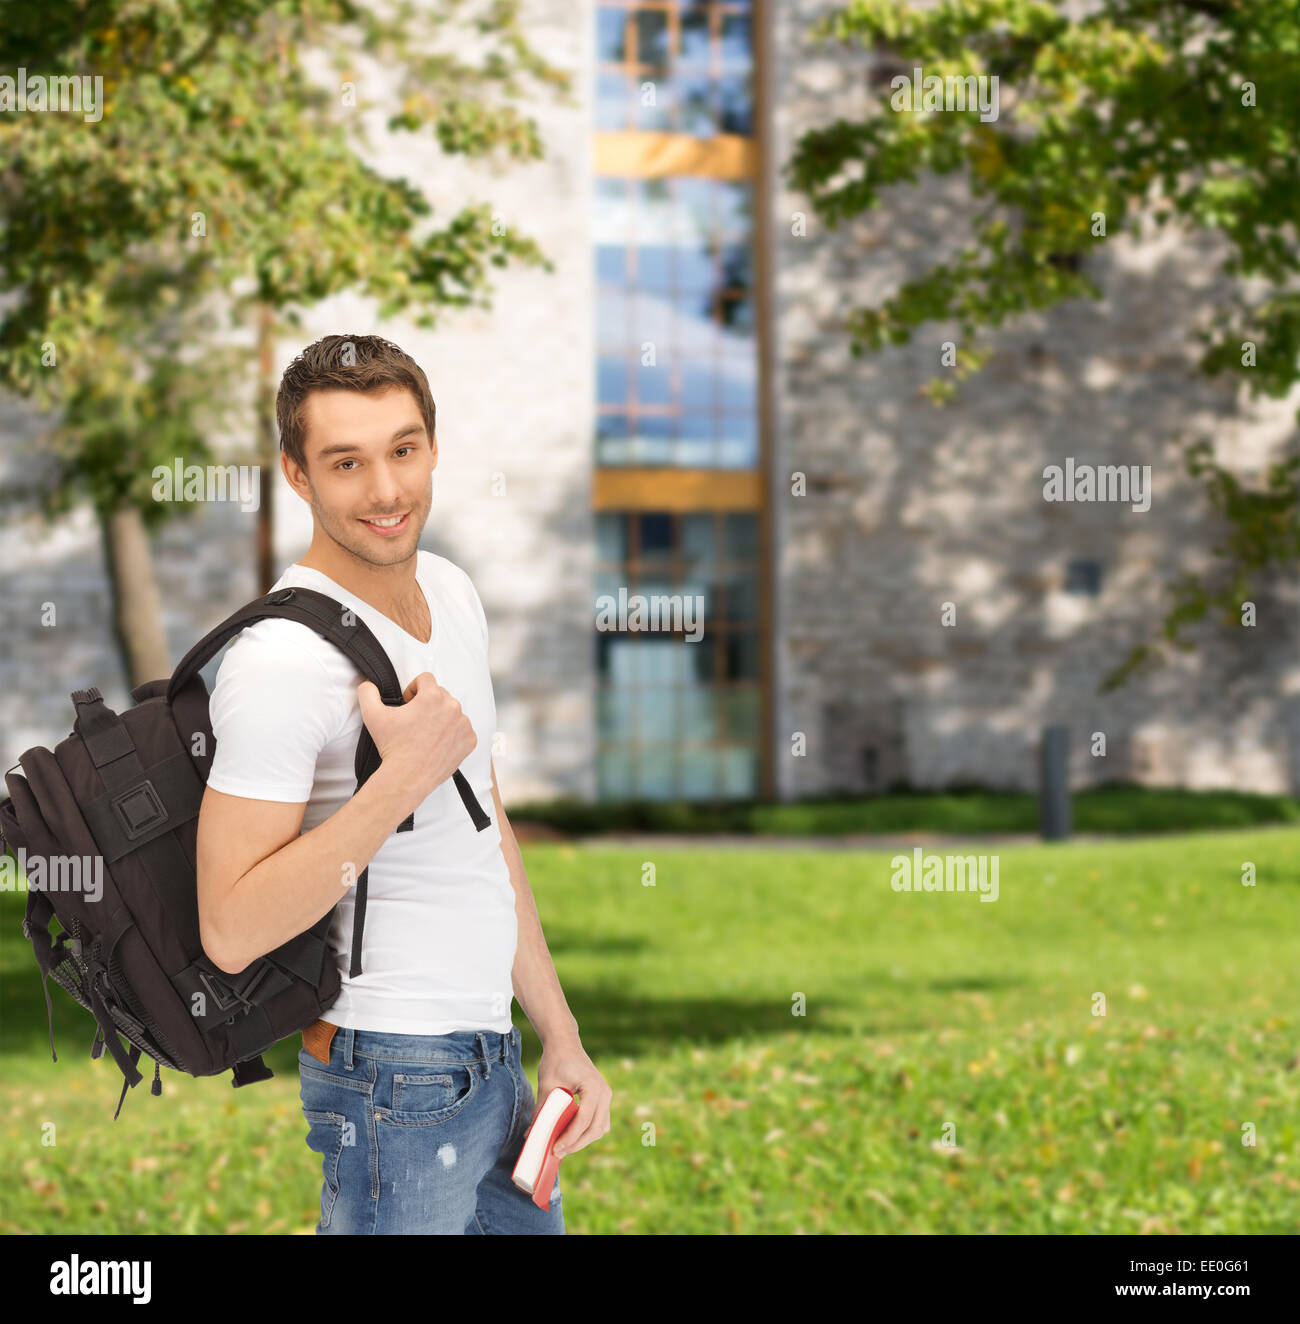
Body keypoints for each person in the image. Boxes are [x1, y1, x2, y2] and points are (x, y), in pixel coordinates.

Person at [195, 333, 610, 1233]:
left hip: (492, 1060)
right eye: (347, 462)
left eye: (404, 450)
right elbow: (229, 928)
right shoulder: (280, 661)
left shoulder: (453, 594)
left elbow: (483, 831)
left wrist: (558, 1031)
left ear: (431, 445)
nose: (385, 490)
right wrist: (400, 780)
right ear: (297, 476)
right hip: (387, 1074)